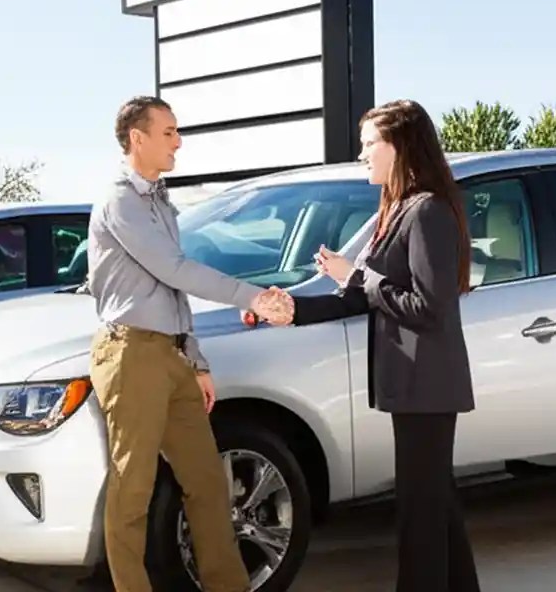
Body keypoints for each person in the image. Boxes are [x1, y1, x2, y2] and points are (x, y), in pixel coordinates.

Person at [264, 99, 480, 592]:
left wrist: (358, 274)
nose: (362, 154)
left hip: (428, 387)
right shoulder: (396, 210)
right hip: (413, 388)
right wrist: (292, 310)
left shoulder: (426, 212)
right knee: (436, 508)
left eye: (369, 145)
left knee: (420, 518)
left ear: (400, 146)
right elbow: (361, 297)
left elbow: (429, 307)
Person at [85, 95, 290, 592]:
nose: (179, 141)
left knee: (207, 483)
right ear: (138, 138)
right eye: (169, 132)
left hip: (172, 356)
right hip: (131, 355)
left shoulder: (160, 201)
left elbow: (170, 288)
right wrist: (254, 297)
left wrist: (195, 359)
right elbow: (173, 269)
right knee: (132, 491)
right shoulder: (120, 200)